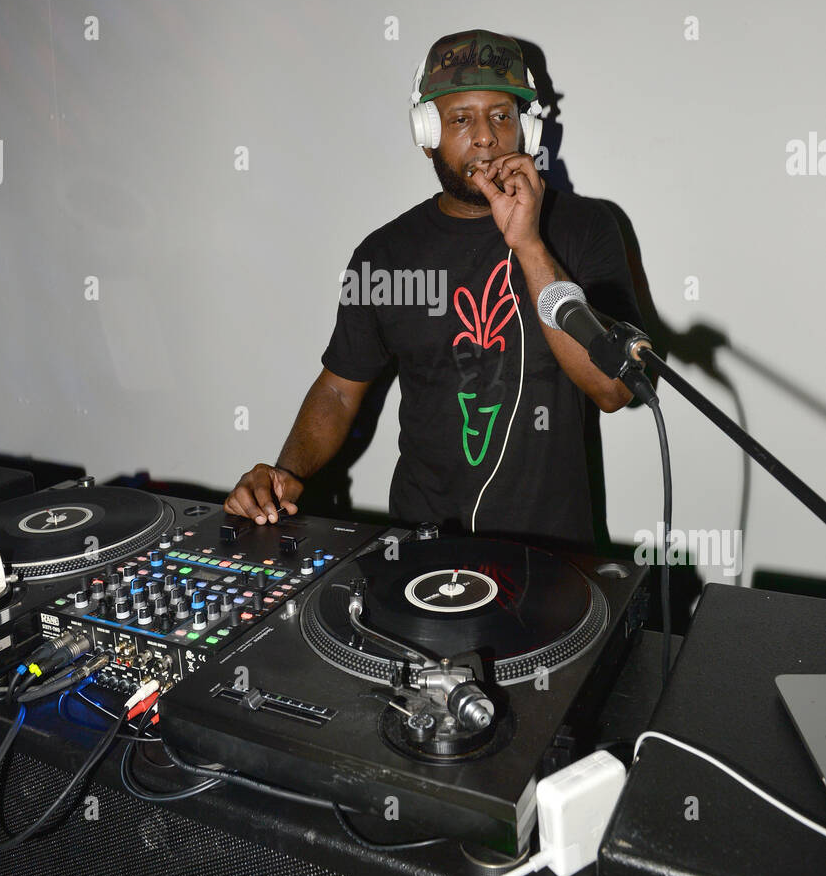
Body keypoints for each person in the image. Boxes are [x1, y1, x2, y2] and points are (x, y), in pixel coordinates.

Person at [225, 28, 643, 544]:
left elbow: (614, 389)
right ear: (427, 134)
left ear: (526, 132)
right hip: (421, 549)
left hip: (554, 555)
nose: (486, 136)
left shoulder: (585, 229)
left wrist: (530, 245)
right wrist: (287, 472)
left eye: (502, 115)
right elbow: (338, 389)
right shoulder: (384, 255)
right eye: (460, 119)